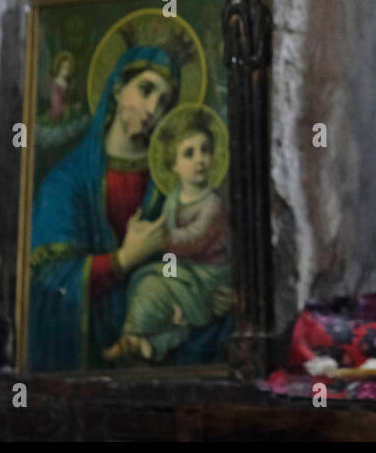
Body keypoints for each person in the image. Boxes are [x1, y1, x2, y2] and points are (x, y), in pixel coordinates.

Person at [28, 43, 231, 370]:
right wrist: (124, 259)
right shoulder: (66, 183)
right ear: (118, 89)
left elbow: (194, 258)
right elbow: (48, 283)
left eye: (164, 102)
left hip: (161, 326)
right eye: (146, 90)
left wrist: (213, 294)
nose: (153, 108)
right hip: (89, 347)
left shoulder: (173, 185)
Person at [103, 109, 232, 363]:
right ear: (174, 165)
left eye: (205, 150)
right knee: (144, 281)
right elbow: (171, 246)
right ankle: (140, 341)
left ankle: (136, 337)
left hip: (207, 277)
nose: (200, 159)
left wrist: (158, 239)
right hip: (181, 270)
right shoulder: (173, 199)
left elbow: (192, 240)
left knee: (156, 287)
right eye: (189, 153)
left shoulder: (212, 205)